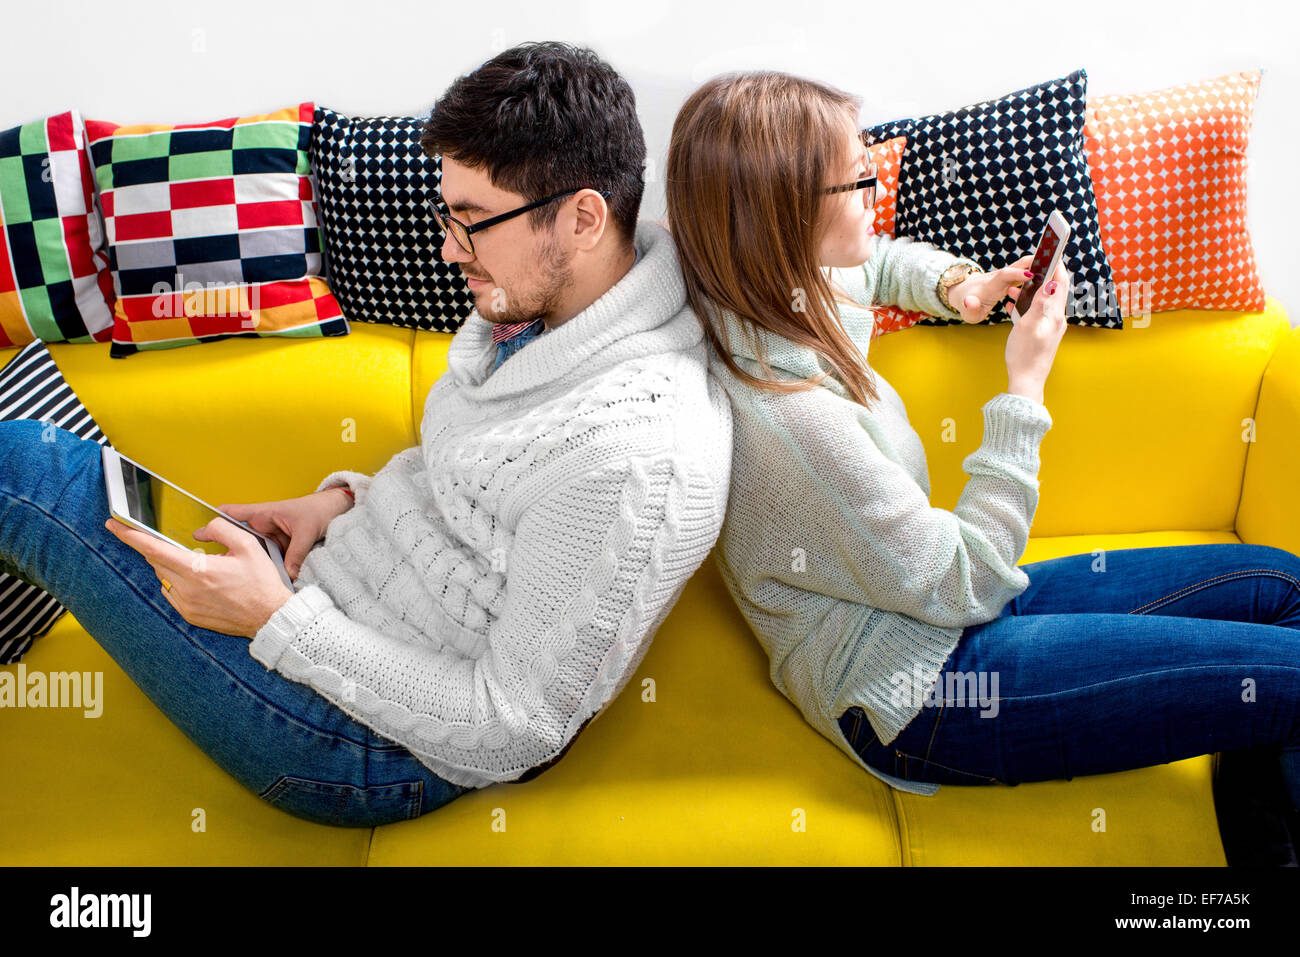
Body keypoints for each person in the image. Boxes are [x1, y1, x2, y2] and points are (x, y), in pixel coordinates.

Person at [0, 41, 730, 828]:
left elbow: (509, 729)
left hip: (364, 744)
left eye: (474, 221)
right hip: (329, 607)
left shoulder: (640, 458)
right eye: (447, 214)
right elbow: (473, 482)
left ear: (584, 218)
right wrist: (343, 503)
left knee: (27, 471)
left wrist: (276, 620)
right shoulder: (544, 303)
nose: (450, 248)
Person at [664, 70, 1300, 865]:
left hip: (937, 612)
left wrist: (960, 286)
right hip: (921, 691)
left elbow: (877, 262)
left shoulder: (769, 289)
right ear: (780, 211)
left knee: (1284, 587)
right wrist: (1023, 386)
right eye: (855, 177)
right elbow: (970, 582)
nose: (874, 188)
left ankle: (1262, 830)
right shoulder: (790, 421)